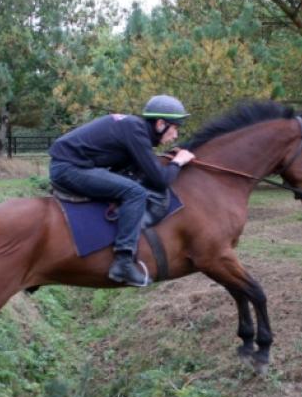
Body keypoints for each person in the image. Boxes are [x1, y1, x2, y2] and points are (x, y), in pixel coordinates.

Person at [49, 95, 195, 286]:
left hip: (72, 165)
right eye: (175, 128)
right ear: (160, 124)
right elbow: (160, 180)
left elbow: (141, 167)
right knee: (135, 193)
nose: (175, 135)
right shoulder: (135, 130)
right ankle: (123, 263)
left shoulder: (134, 127)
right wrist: (179, 161)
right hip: (69, 169)